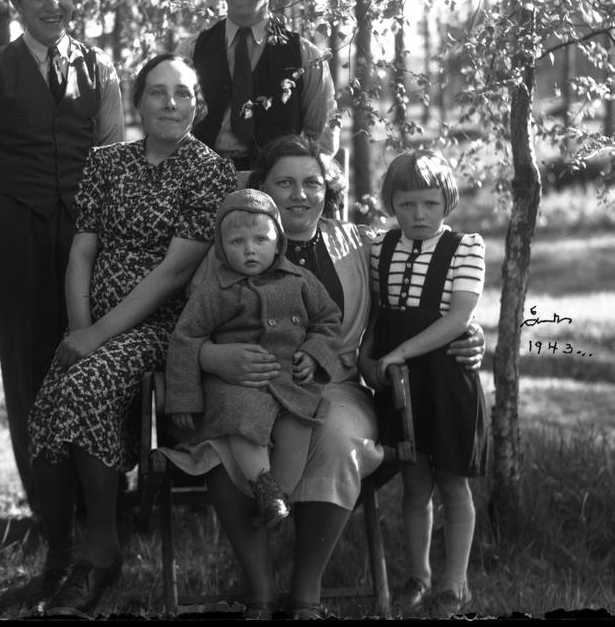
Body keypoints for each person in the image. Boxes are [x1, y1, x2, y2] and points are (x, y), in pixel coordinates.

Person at [187, 136, 486, 618]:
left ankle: (306, 594)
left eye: (313, 182)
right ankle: (259, 592)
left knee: (339, 438)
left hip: (335, 387)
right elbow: (188, 328)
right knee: (224, 448)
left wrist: (473, 331)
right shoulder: (231, 244)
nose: (300, 194)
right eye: (285, 182)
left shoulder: (360, 244)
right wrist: (213, 359)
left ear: (329, 189)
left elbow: (428, 280)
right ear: (261, 186)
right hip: (244, 385)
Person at [28, 54, 236, 617]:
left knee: (84, 384)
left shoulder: (207, 170)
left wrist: (96, 337)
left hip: (163, 323)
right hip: (90, 321)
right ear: (138, 101)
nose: (171, 103)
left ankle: (100, 549)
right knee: (49, 405)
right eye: (158, 92)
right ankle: (62, 552)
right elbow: (83, 250)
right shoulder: (105, 162)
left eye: (184, 94)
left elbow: (173, 272)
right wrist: (79, 329)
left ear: (199, 105)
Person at [0, 0, 125, 516]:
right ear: (16, 4)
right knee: (29, 364)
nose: (55, 6)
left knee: (92, 355)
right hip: (18, 233)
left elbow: (110, 158)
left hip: (87, 236)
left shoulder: (100, 70)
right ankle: (48, 513)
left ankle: (99, 503)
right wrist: (15, 209)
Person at [164, 188, 344, 531]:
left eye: (260, 239)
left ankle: (279, 499)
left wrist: (315, 353)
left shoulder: (300, 280)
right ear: (221, 247)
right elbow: (186, 337)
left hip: (289, 378)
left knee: (299, 424)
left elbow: (328, 320)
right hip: (236, 383)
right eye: (237, 242)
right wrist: (184, 398)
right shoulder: (217, 289)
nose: (249, 249)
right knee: (239, 416)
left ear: (278, 242)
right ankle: (263, 484)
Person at [361, 149, 488, 616]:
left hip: (446, 375)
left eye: (430, 204)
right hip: (396, 380)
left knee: (452, 482)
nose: (418, 214)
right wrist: (367, 356)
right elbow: (377, 311)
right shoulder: (380, 247)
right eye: (407, 203)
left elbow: (459, 317)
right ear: (391, 203)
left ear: (447, 202)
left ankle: (455, 583)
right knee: (414, 482)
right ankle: (418, 576)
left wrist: (398, 353)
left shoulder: (466, 247)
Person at [175, 0, 338, 171]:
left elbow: (322, 138)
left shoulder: (306, 57)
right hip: (201, 188)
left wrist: (292, 182)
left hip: (276, 191)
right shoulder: (190, 52)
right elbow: (171, 125)